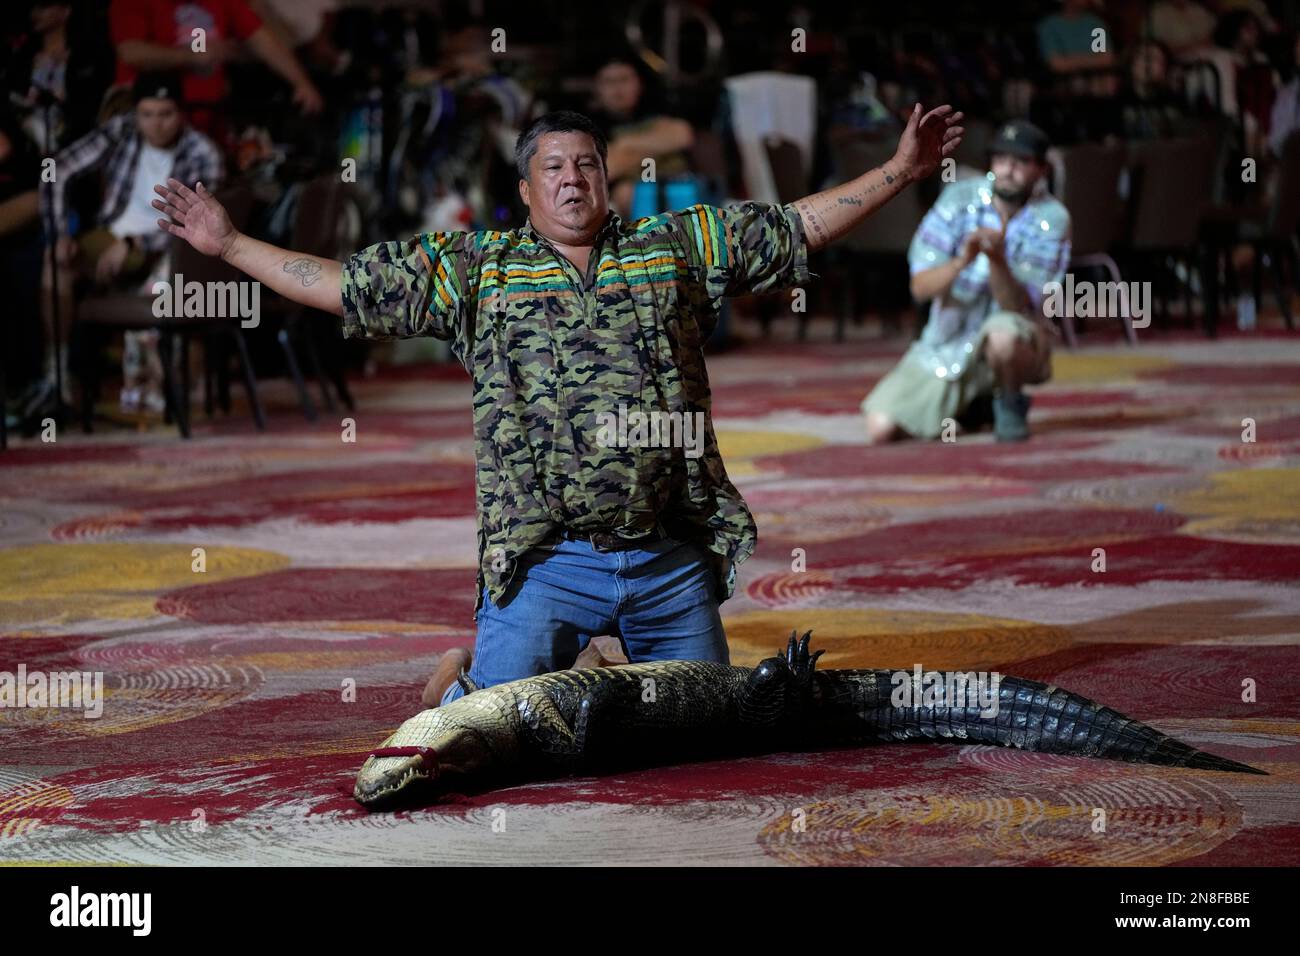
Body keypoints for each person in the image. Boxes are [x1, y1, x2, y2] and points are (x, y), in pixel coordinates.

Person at [150, 105, 963, 707]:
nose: (572, 179)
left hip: (667, 556)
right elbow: (344, 285)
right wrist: (229, 247)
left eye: (586, 165)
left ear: (606, 179)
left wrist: (902, 171)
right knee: (485, 729)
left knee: (712, 725)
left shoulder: (669, 246)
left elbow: (794, 228)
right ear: (525, 188)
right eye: (553, 168)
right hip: (545, 562)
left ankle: (601, 664)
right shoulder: (478, 268)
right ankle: (479, 668)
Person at [862, 120, 1070, 444]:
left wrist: (998, 260)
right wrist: (963, 260)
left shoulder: (1052, 218)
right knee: (881, 427)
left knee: (1003, 334)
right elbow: (920, 288)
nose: (1008, 169)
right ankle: (973, 407)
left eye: (1020, 162)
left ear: (1042, 169)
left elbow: (1019, 307)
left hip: (1017, 342)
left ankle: (1009, 400)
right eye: (1001, 159)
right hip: (947, 345)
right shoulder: (958, 199)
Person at [33, 70, 223, 422]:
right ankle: (56, 375)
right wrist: (59, 234)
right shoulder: (121, 131)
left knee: (165, 280)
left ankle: (154, 390)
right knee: (54, 263)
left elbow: (197, 224)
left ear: (180, 113)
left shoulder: (202, 152)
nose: (156, 124)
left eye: (165, 114)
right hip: (112, 237)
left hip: (168, 245)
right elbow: (57, 170)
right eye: (147, 114)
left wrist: (136, 242)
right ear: (136, 113)